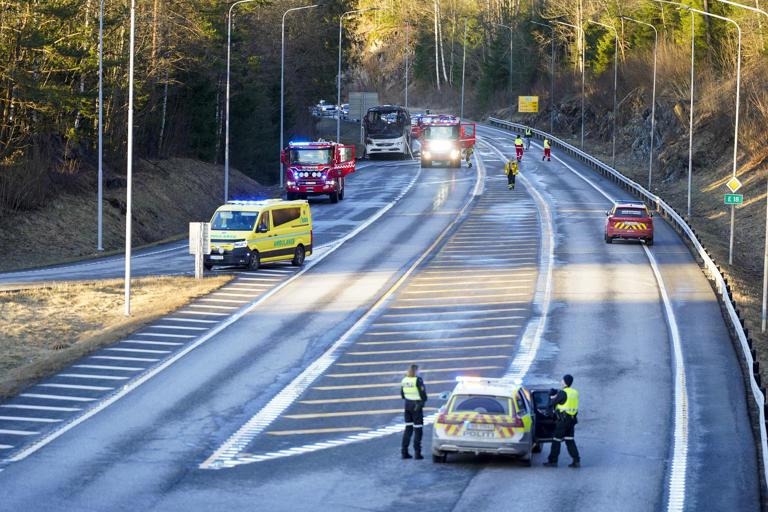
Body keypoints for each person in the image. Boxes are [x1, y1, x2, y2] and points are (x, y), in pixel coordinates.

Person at [543, 374, 580, 468]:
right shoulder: (574, 392)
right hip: (571, 420)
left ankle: (552, 461)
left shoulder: (563, 392)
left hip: (563, 420)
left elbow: (553, 403)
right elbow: (567, 402)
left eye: (562, 379)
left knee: (556, 439)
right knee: (570, 440)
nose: (561, 381)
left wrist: (552, 397)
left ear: (564, 381)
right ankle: (576, 460)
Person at [401, 364, 427, 459]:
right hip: (416, 406)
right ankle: (417, 453)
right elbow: (422, 394)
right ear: (416, 371)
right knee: (418, 429)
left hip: (407, 405)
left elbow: (402, 394)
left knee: (408, 429)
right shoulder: (417, 380)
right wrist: (423, 401)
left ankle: (404, 452)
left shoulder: (404, 380)